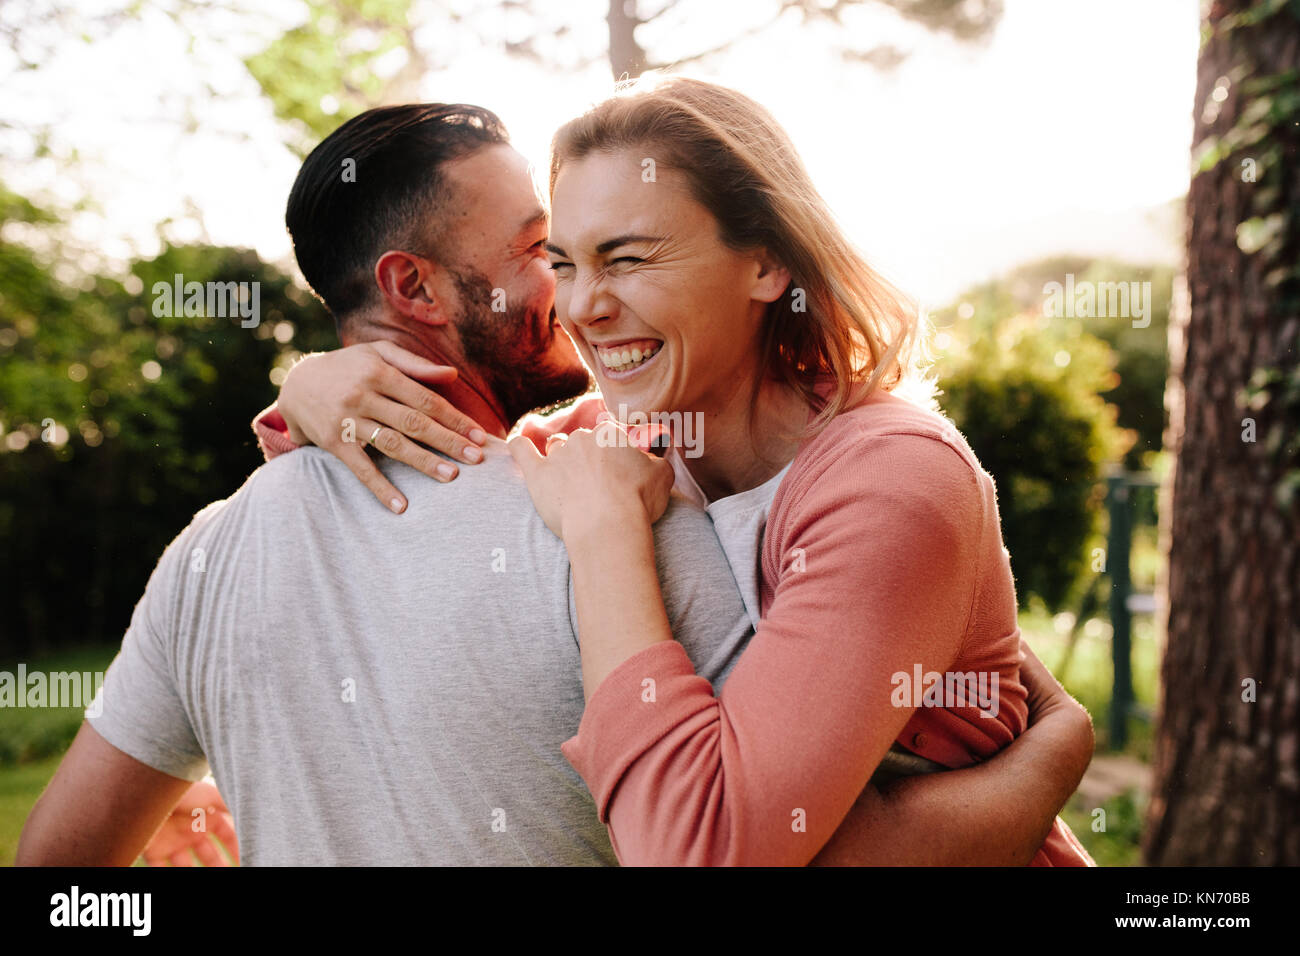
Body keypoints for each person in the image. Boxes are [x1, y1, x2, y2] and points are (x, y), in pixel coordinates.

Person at [17, 102, 1092, 867]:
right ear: (413, 287)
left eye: (617, 257)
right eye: (553, 256)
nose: (574, 303)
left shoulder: (215, 550)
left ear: (767, 263)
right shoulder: (607, 478)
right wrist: (1047, 760)